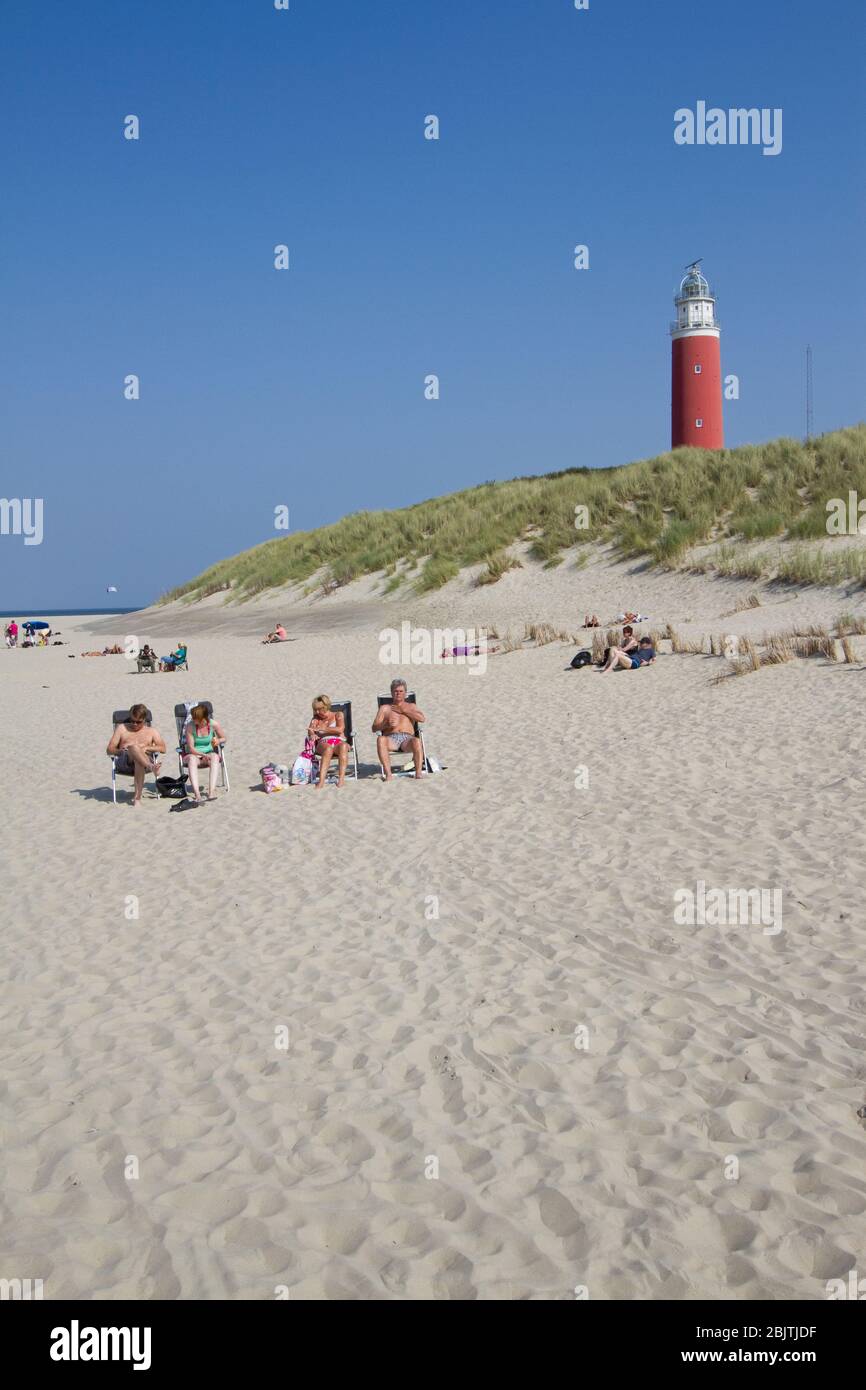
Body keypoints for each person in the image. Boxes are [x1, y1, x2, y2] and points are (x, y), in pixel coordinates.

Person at [107, 703, 166, 806]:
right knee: (133, 747)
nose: (134, 724)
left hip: (143, 761)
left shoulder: (151, 731)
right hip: (125, 760)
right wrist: (120, 751)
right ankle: (152, 767)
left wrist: (147, 747)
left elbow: (163, 748)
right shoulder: (122, 728)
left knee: (138, 761)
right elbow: (109, 749)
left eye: (138, 722)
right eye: (132, 721)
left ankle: (137, 799)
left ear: (144, 720)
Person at [373, 678, 425, 780]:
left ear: (405, 693)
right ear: (392, 693)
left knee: (417, 741)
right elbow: (374, 727)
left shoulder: (411, 706)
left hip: (407, 739)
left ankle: (418, 773)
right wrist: (386, 724)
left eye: (401, 691)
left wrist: (403, 710)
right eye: (396, 691)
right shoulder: (385, 708)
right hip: (391, 738)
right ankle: (388, 774)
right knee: (380, 739)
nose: (398, 693)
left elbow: (422, 719)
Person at [182, 703, 227, 802]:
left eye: (195, 718)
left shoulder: (213, 724)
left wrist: (218, 741)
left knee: (215, 757)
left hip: (208, 753)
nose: (193, 720)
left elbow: (224, 738)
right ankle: (197, 794)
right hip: (193, 755)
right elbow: (191, 748)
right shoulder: (190, 726)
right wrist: (202, 755)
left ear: (203, 718)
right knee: (192, 760)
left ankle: (211, 793)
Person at [308, 695, 347, 788]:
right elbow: (310, 730)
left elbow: (340, 729)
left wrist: (324, 729)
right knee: (328, 748)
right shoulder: (316, 719)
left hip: (337, 741)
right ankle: (321, 781)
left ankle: (341, 778)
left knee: (343, 746)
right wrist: (312, 734)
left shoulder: (338, 715)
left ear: (326, 706)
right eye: (315, 709)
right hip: (323, 743)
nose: (317, 712)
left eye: (319, 709)